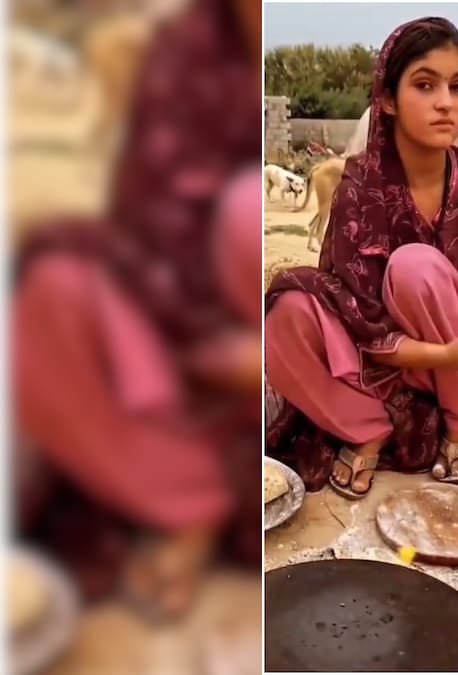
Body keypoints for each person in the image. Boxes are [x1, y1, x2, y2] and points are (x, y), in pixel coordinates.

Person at [13, 0, 263, 619]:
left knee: (246, 217)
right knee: (51, 294)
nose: (446, 103)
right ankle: (189, 502)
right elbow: (148, 223)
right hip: (184, 324)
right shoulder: (183, 55)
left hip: (282, 349)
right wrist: (204, 343)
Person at [265, 18, 458, 498]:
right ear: (387, 100)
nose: (447, 103)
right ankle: (366, 426)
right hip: (378, 356)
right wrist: (442, 353)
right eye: (425, 85)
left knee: (417, 267)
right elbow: (358, 315)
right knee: (286, 311)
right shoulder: (361, 185)